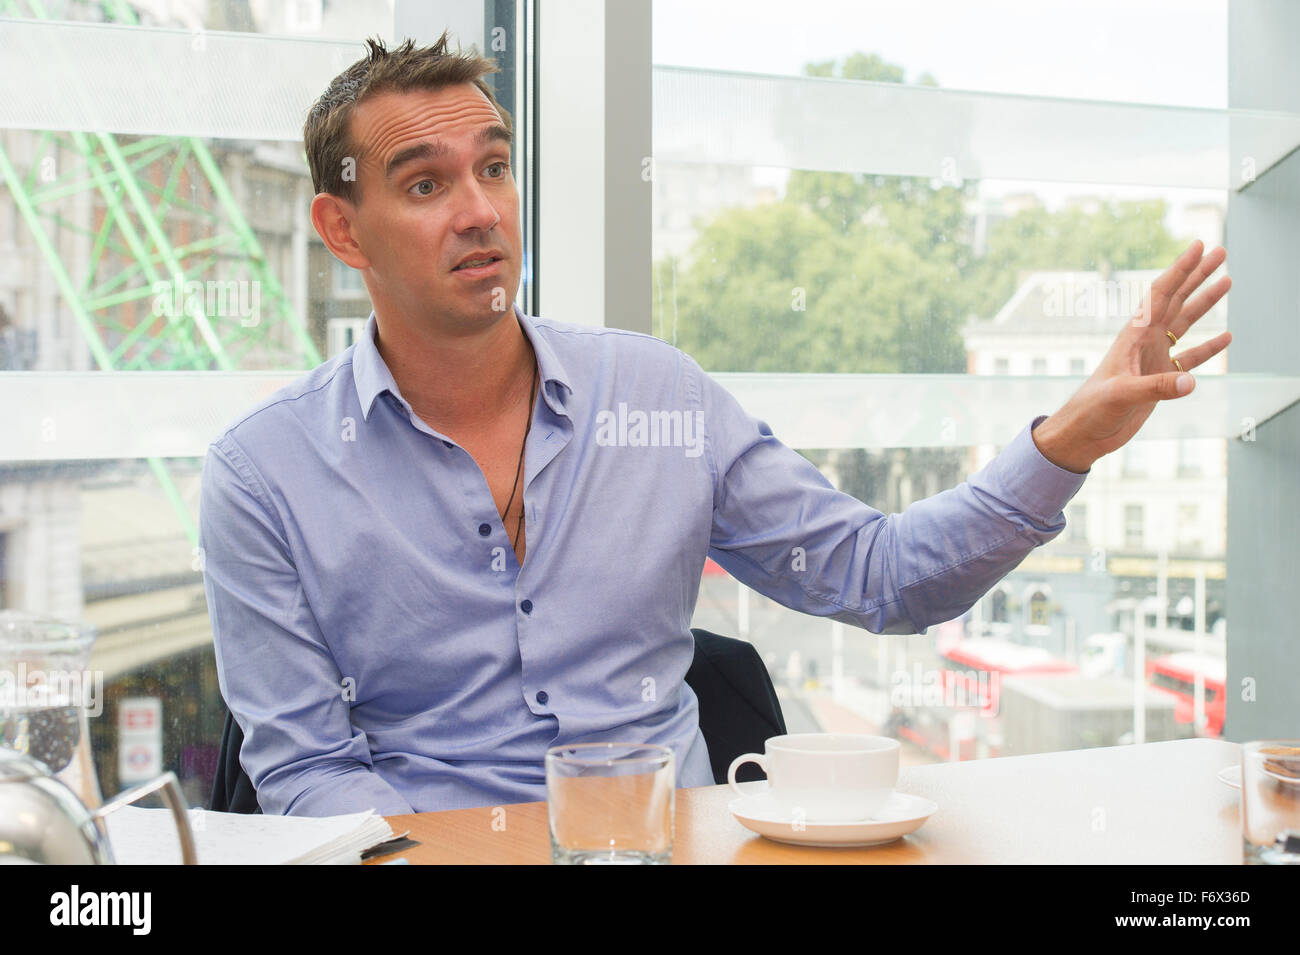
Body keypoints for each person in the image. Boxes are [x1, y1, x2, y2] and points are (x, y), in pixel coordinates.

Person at [198, 33, 1232, 816]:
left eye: (494, 167)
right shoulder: (263, 475)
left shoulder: (658, 398)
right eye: (425, 184)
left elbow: (880, 574)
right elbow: (305, 769)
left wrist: (1064, 447)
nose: (480, 211)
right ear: (342, 229)